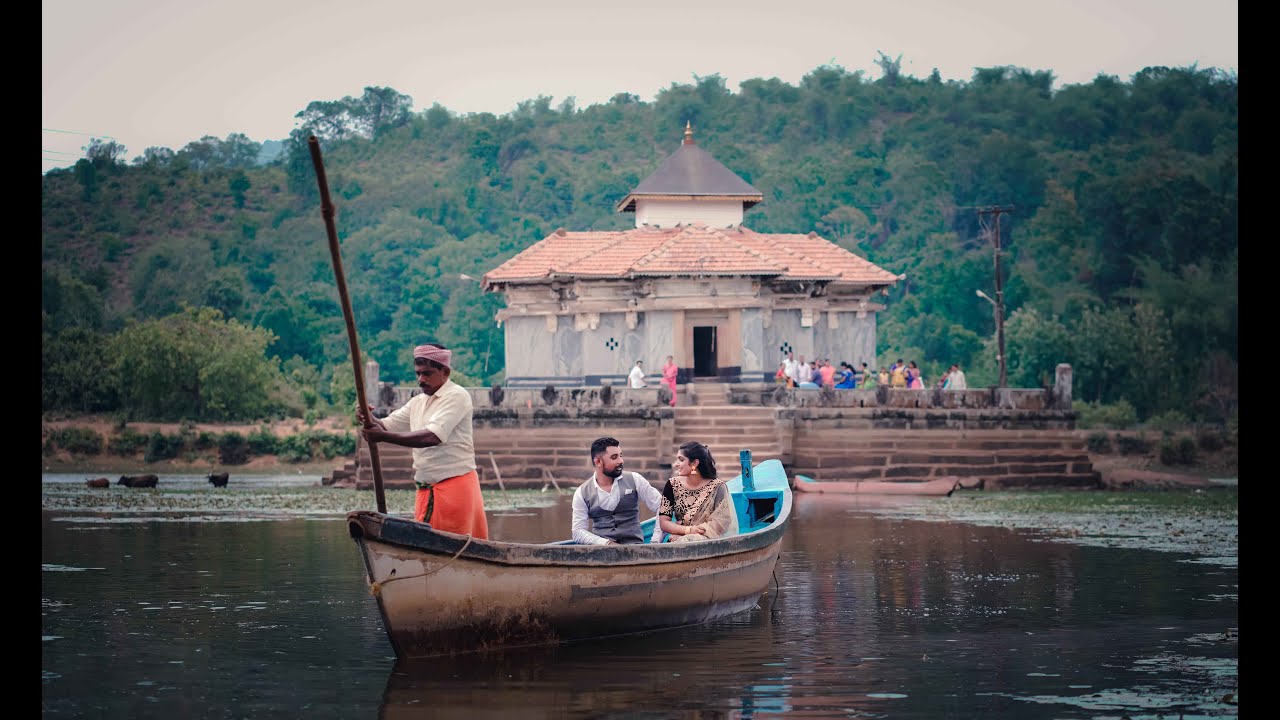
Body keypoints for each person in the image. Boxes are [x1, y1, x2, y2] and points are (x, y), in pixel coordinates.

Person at [356, 343, 489, 539]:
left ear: (445, 371)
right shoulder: (419, 401)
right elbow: (385, 425)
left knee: (456, 549)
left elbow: (432, 436)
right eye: (418, 373)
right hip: (426, 489)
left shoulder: (457, 396)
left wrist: (383, 437)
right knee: (430, 548)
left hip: (454, 489)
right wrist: (367, 417)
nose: (421, 379)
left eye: (427, 373)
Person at [571, 437, 664, 545]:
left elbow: (662, 507)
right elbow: (577, 532)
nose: (621, 461)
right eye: (614, 457)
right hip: (602, 554)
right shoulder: (581, 493)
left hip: (636, 551)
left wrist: (656, 541)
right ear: (598, 462)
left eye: (621, 455)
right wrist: (606, 543)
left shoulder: (635, 479)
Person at [657, 442, 738, 543]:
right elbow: (664, 523)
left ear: (695, 463)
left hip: (707, 543)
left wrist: (691, 537)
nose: (676, 464)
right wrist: (688, 530)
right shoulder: (672, 485)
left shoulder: (718, 487)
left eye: (681, 459)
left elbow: (722, 522)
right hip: (676, 542)